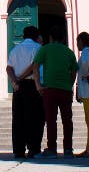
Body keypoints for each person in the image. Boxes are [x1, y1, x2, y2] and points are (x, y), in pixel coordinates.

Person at [32, 24, 78, 158]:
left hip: (49, 89)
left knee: (51, 119)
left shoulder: (45, 49)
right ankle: (68, 150)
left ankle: (52, 149)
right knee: (67, 119)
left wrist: (38, 85)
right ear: (63, 38)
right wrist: (70, 83)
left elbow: (35, 67)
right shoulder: (69, 52)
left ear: (50, 37)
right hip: (65, 90)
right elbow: (74, 69)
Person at [5, 25, 45, 158]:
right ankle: (34, 148)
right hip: (33, 84)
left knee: (18, 118)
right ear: (36, 36)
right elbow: (34, 66)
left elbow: (8, 68)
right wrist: (20, 78)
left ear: (24, 36)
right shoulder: (38, 48)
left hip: (18, 87)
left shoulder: (15, 49)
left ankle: (18, 149)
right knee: (35, 117)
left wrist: (14, 81)